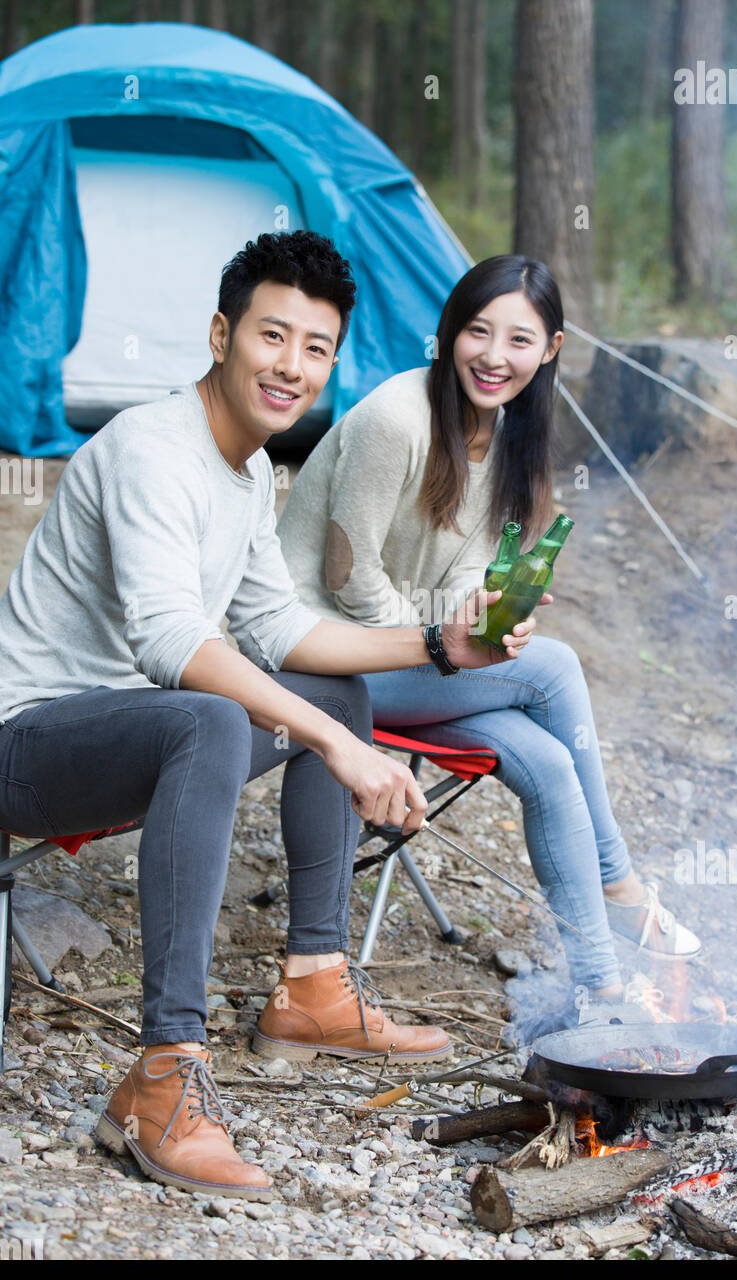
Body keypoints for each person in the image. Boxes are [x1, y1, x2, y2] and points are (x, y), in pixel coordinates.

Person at [0, 232, 538, 1201]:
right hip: (28, 746)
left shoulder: (248, 471)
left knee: (334, 690)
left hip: (127, 732)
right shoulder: (150, 449)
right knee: (208, 716)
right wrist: (340, 750)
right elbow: (170, 641)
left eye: (316, 348)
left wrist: (435, 646)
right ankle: (163, 1073)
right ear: (220, 333)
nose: (291, 366)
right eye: (272, 336)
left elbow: (280, 625)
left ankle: (312, 985)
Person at [277, 254, 701, 1029]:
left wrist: (492, 621)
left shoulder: (506, 435)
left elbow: (471, 572)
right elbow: (346, 578)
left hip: (413, 659)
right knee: (557, 667)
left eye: (518, 340)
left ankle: (601, 992)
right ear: (447, 334)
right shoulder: (394, 419)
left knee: (545, 758)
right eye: (478, 332)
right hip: (320, 659)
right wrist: (443, 639)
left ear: (551, 350)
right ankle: (621, 888)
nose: (494, 356)